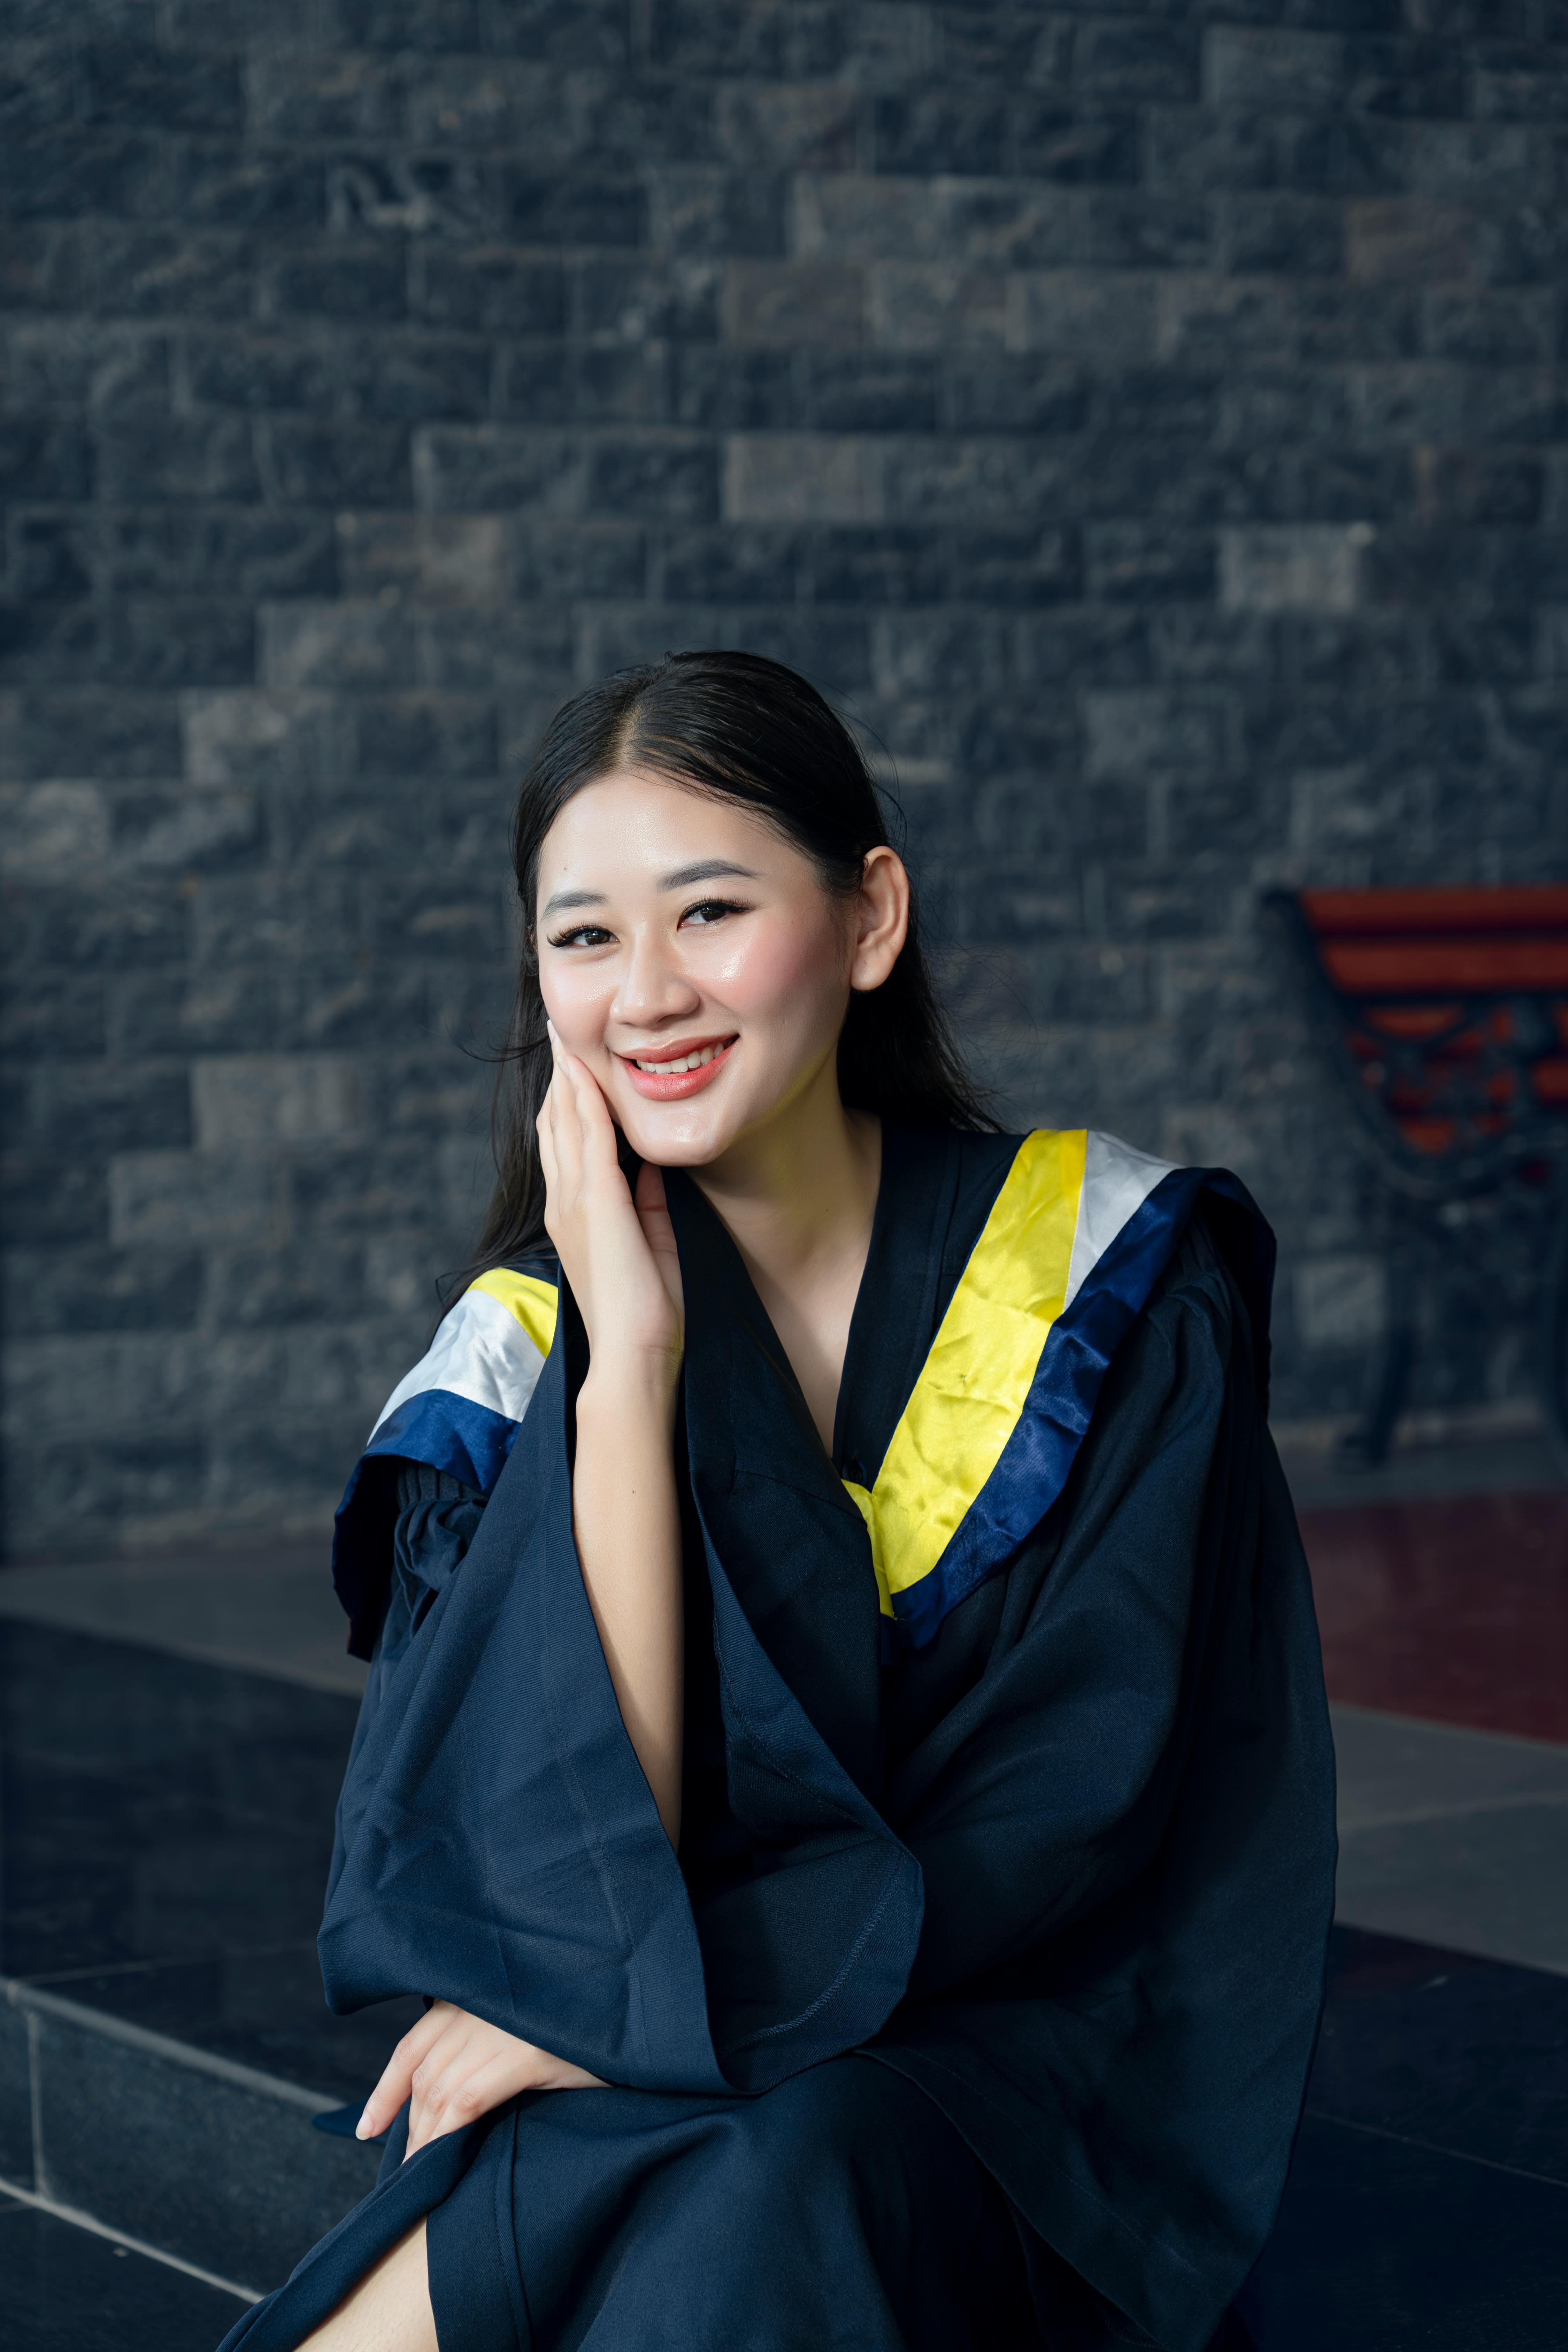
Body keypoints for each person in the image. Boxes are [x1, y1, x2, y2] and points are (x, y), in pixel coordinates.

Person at [219, 651, 1335, 2352]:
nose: (645, 992)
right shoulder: (539, 1345)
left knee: (774, 2153)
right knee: (753, 2158)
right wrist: (638, 1361)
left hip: (1041, 2041)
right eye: (583, 934)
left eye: (711, 910)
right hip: (728, 2052)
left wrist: (631, 2009)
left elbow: (1073, 1816)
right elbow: (564, 1853)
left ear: (871, 916)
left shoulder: (1110, 1281)